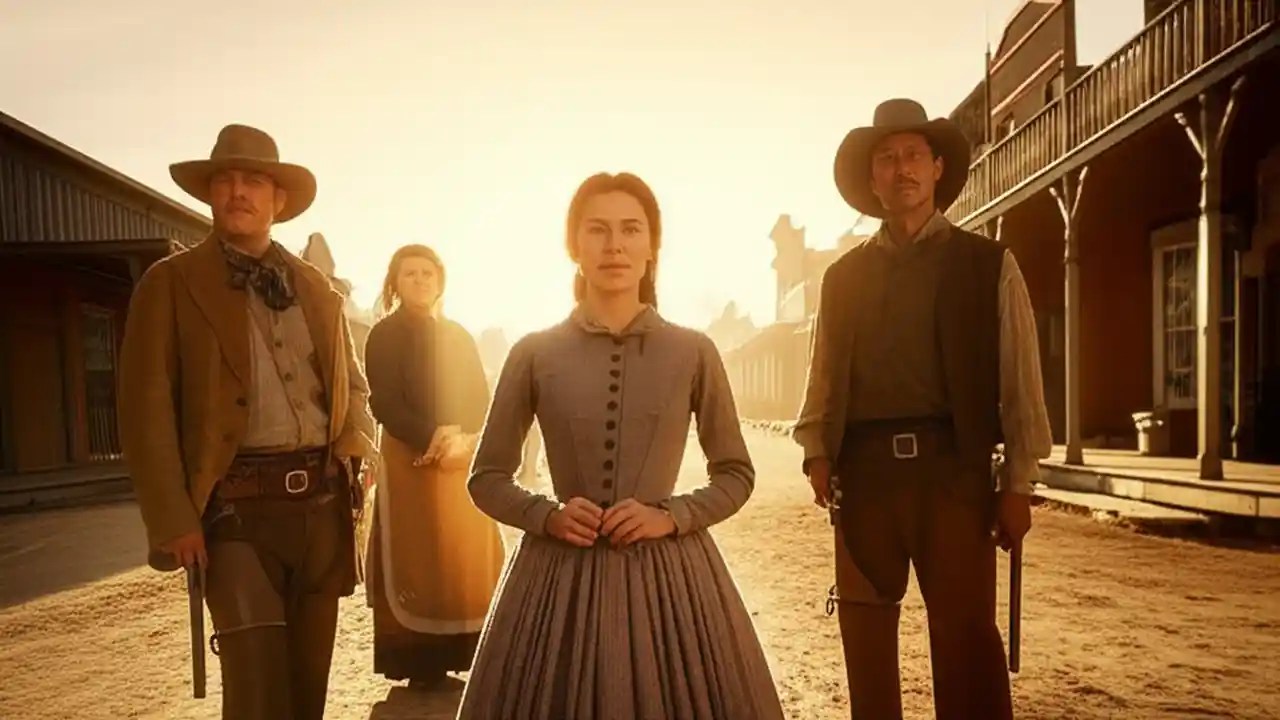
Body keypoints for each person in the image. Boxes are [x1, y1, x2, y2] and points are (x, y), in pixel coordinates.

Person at [456, 172, 785, 719]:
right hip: (555, 576)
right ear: (573, 247)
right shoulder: (533, 352)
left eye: (631, 229)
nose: (615, 245)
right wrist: (546, 516)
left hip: (671, 580)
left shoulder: (693, 351)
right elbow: (485, 475)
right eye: (598, 230)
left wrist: (672, 516)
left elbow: (735, 472)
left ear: (652, 247)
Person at [793, 97, 1053, 720]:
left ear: (937, 168)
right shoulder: (843, 278)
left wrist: (1018, 483)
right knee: (865, 643)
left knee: (966, 642)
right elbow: (824, 371)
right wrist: (817, 453)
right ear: (872, 179)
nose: (900, 168)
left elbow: (1021, 382)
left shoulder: (988, 264)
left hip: (954, 477)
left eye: (913, 154)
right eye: (886, 158)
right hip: (867, 480)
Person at [117, 124, 377, 720]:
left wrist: (357, 445)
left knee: (307, 689)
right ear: (210, 194)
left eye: (254, 180)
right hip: (232, 516)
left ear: (277, 200)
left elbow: (353, 386)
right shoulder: (170, 284)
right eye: (226, 180)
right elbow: (144, 410)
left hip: (320, 509)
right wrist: (173, 518)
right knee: (257, 692)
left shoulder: (317, 287)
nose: (239, 191)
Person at [361, 244, 505, 687]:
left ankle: (470, 648)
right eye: (410, 274)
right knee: (416, 554)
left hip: (460, 459)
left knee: (464, 555)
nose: (420, 280)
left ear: (440, 281)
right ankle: (420, 662)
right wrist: (430, 436)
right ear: (395, 283)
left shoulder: (458, 335)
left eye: (427, 273)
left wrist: (459, 436)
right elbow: (383, 399)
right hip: (409, 459)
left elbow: (481, 395)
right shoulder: (382, 336)